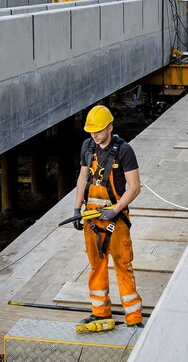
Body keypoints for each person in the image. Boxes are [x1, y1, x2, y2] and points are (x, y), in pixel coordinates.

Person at [73, 105, 143, 328]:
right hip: (92, 217)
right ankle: (101, 312)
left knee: (123, 265)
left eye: (99, 130)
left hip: (116, 218)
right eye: (91, 131)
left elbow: (134, 187)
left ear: (110, 127)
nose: (94, 135)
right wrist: (77, 209)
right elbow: (83, 179)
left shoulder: (124, 151)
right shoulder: (87, 147)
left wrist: (115, 209)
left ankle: (133, 318)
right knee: (96, 265)